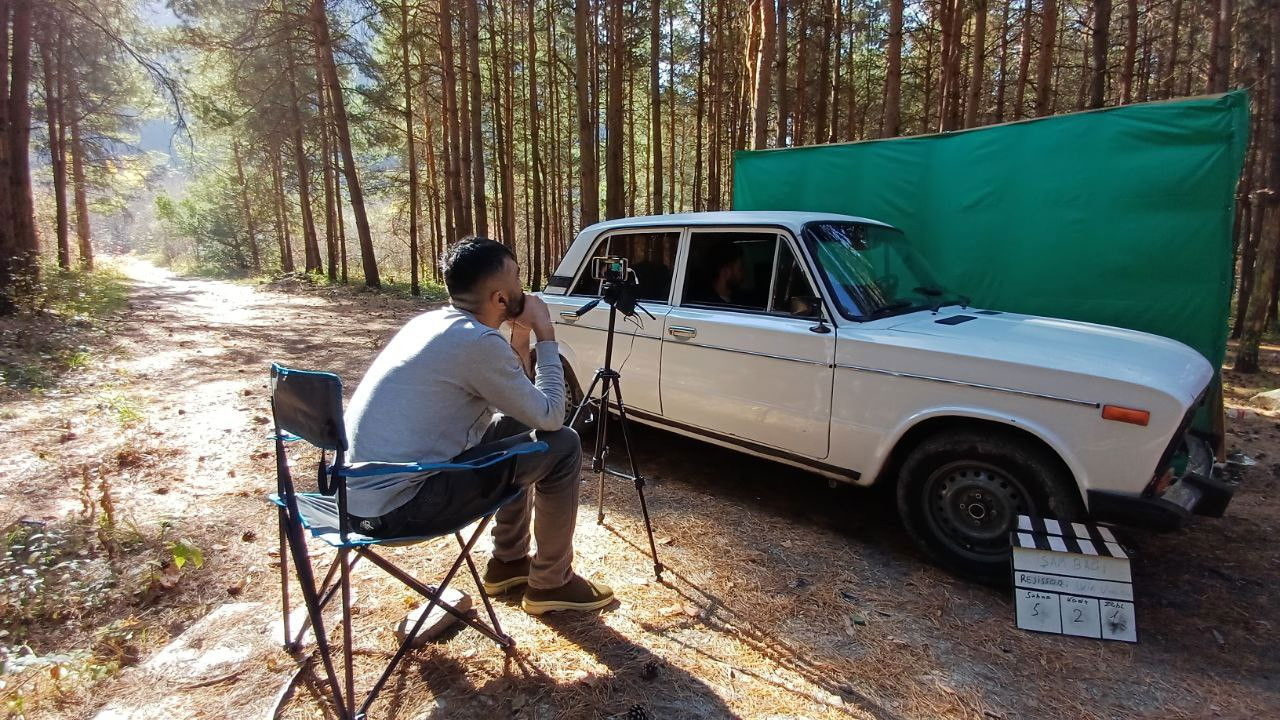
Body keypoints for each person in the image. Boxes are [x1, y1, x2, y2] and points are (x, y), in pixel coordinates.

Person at [342, 237, 614, 615]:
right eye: (518, 278)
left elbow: (524, 403)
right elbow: (552, 416)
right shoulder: (476, 343)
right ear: (500, 299)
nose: (525, 286)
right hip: (399, 509)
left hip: (356, 498)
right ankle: (553, 583)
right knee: (564, 444)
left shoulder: (433, 323)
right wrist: (546, 334)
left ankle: (508, 563)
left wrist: (521, 338)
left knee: (516, 427)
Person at [690, 240, 746, 305]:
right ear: (726, 271)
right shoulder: (706, 305)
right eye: (740, 269)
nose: (743, 273)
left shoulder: (738, 298)